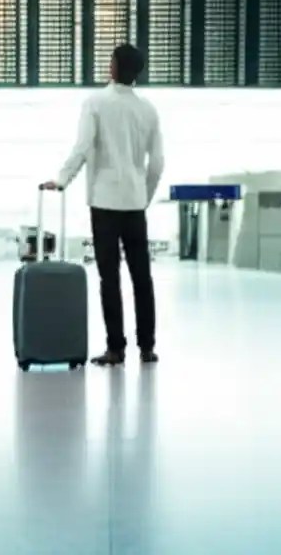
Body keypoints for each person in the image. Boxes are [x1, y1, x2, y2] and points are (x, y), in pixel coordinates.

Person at [42, 44, 164, 367]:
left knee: (109, 278)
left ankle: (116, 348)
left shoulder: (95, 103)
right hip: (135, 203)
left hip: (105, 203)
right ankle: (147, 346)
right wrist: (144, 196)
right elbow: (158, 163)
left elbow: (82, 147)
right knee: (142, 277)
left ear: (113, 67)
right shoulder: (148, 110)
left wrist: (62, 179)